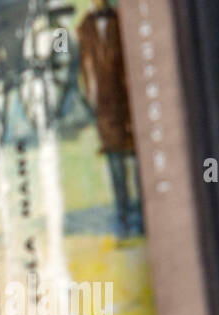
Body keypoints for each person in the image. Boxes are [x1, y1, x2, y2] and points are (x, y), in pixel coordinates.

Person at [77, 0, 142, 238]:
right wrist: (89, 97)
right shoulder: (84, 27)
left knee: (136, 159)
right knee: (115, 162)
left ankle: (143, 214)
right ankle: (123, 216)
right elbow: (85, 65)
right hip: (104, 108)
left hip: (126, 101)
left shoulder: (121, 19)